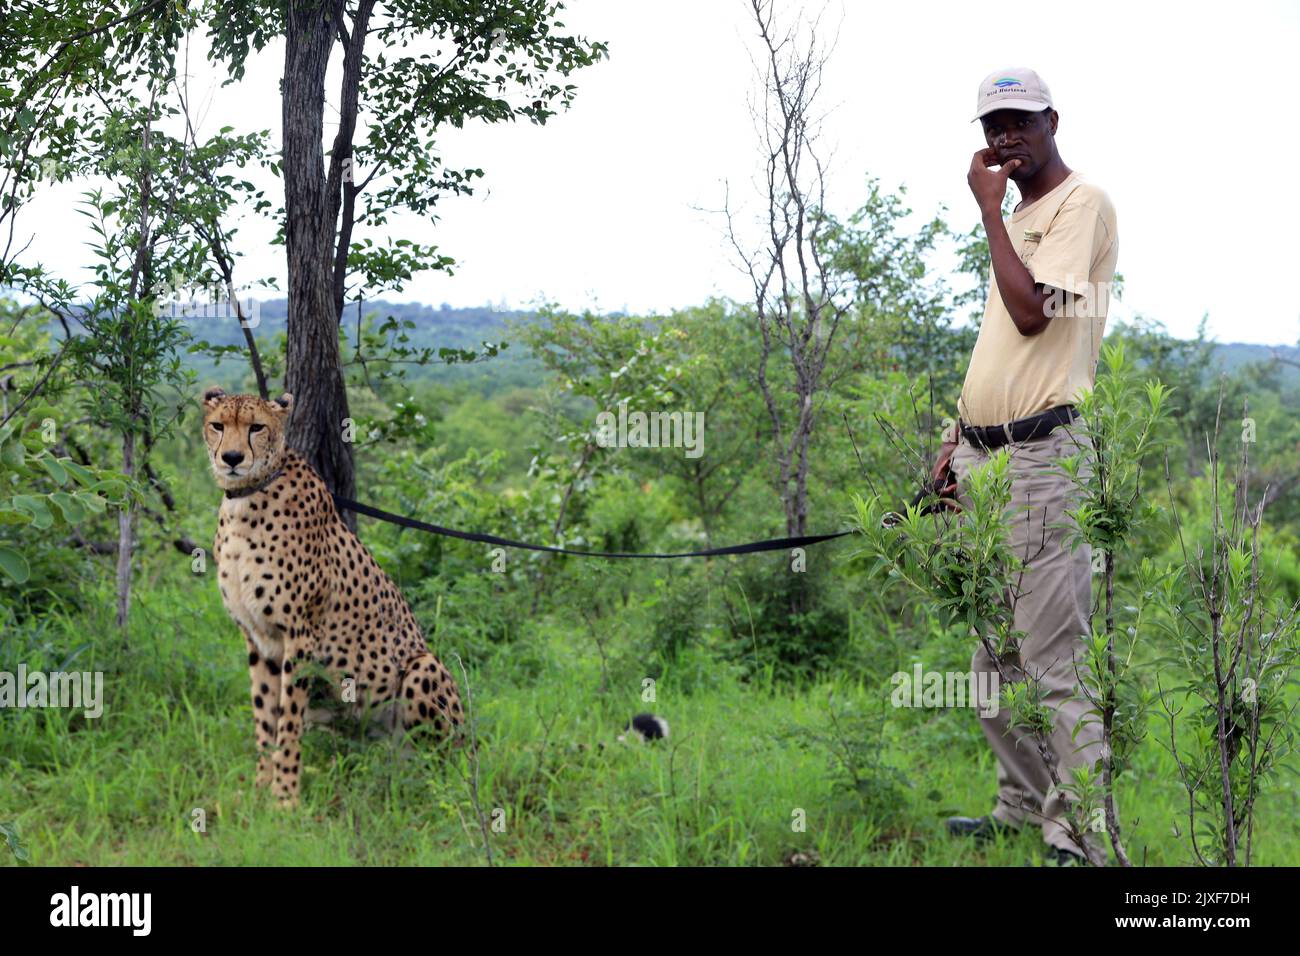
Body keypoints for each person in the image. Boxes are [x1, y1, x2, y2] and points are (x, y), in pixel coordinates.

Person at [940, 68, 1119, 866]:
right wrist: (954, 440)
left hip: (1044, 455)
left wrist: (987, 214)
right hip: (986, 454)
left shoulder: (1081, 205)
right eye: (992, 125)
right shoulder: (1018, 217)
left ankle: (1080, 835)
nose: (1005, 136)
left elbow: (1031, 310)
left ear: (1052, 119)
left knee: (1054, 665)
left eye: (1019, 121)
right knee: (992, 663)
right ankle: (1020, 805)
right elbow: (1001, 347)